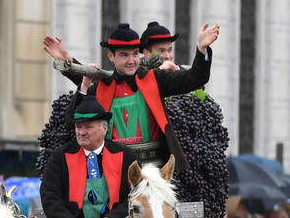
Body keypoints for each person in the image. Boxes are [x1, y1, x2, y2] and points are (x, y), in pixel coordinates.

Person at [43, 21, 218, 169]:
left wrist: (202, 48)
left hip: (155, 170)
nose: (131, 61)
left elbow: (195, 78)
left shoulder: (156, 79)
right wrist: (67, 62)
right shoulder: (100, 88)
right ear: (111, 56)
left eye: (135, 54)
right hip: (113, 169)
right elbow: (72, 119)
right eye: (124, 55)